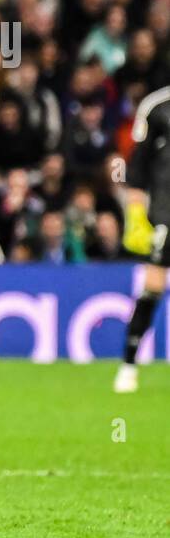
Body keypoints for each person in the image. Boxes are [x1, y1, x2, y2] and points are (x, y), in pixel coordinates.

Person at [116, 86, 170, 393]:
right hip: (166, 214)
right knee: (153, 287)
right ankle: (128, 364)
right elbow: (137, 170)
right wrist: (135, 217)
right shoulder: (158, 105)